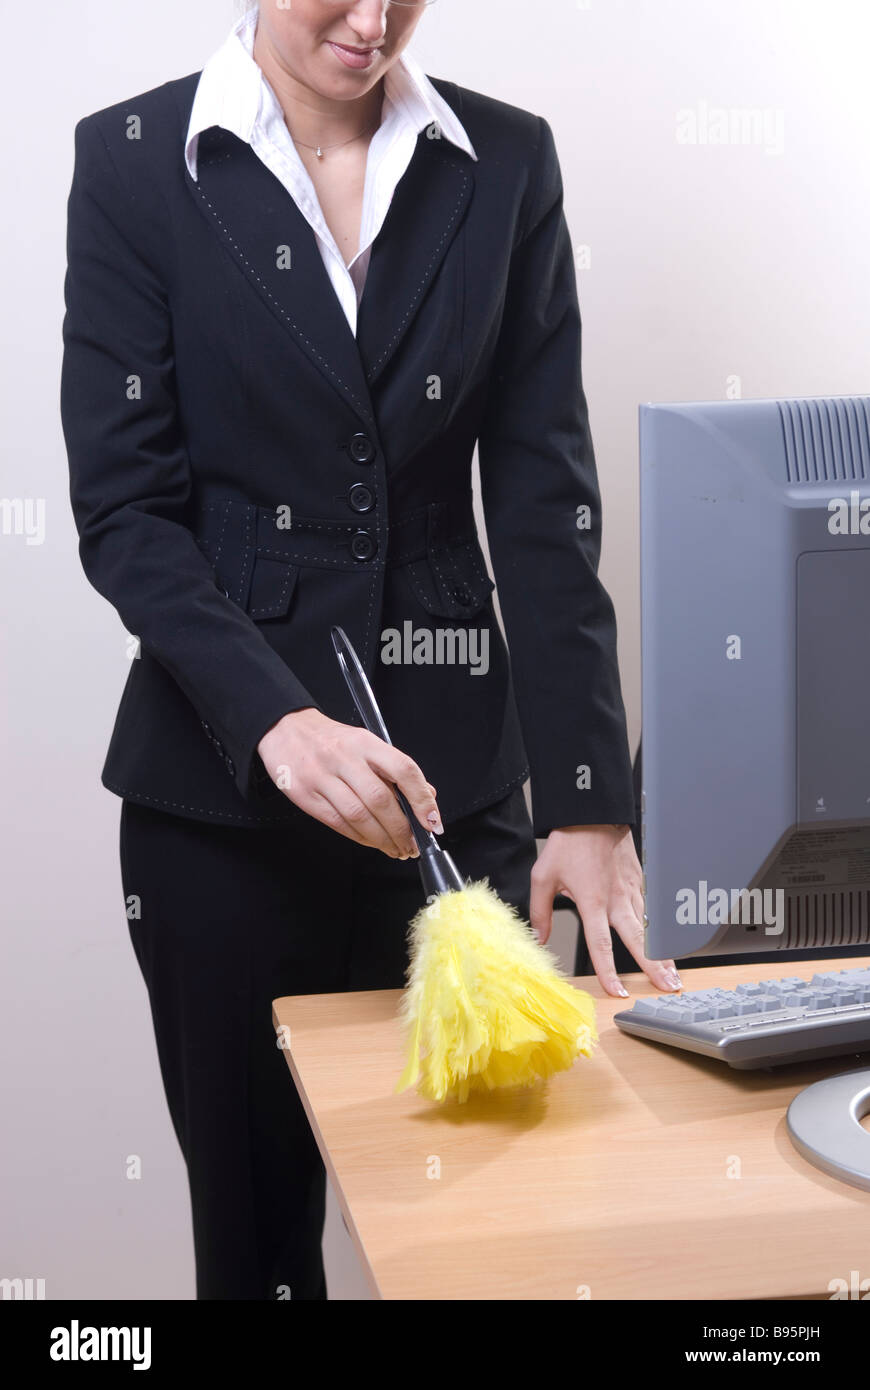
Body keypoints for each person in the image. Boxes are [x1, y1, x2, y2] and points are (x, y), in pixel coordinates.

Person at [60, 0, 677, 1300]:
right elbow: (127, 514)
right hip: (218, 809)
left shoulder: (503, 161)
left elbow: (542, 502)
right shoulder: (132, 161)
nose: (371, 17)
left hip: (462, 798)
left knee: (504, 1235)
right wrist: (277, 718)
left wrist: (585, 800)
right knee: (262, 1251)